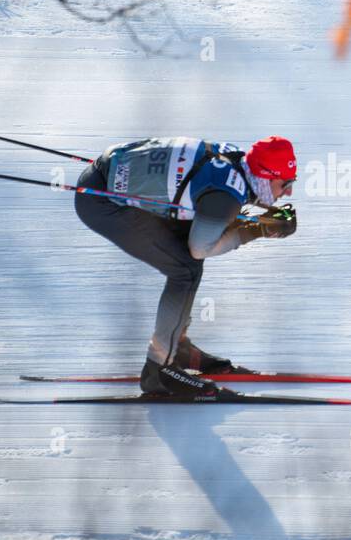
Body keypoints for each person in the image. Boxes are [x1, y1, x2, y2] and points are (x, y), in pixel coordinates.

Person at [74, 135, 297, 397]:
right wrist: (256, 229)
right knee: (185, 269)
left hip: (103, 177)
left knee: (186, 261)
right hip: (102, 203)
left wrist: (250, 222)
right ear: (265, 177)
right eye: (285, 184)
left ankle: (176, 348)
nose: (289, 192)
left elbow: (210, 205)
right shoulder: (227, 195)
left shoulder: (236, 160)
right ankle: (160, 370)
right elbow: (201, 246)